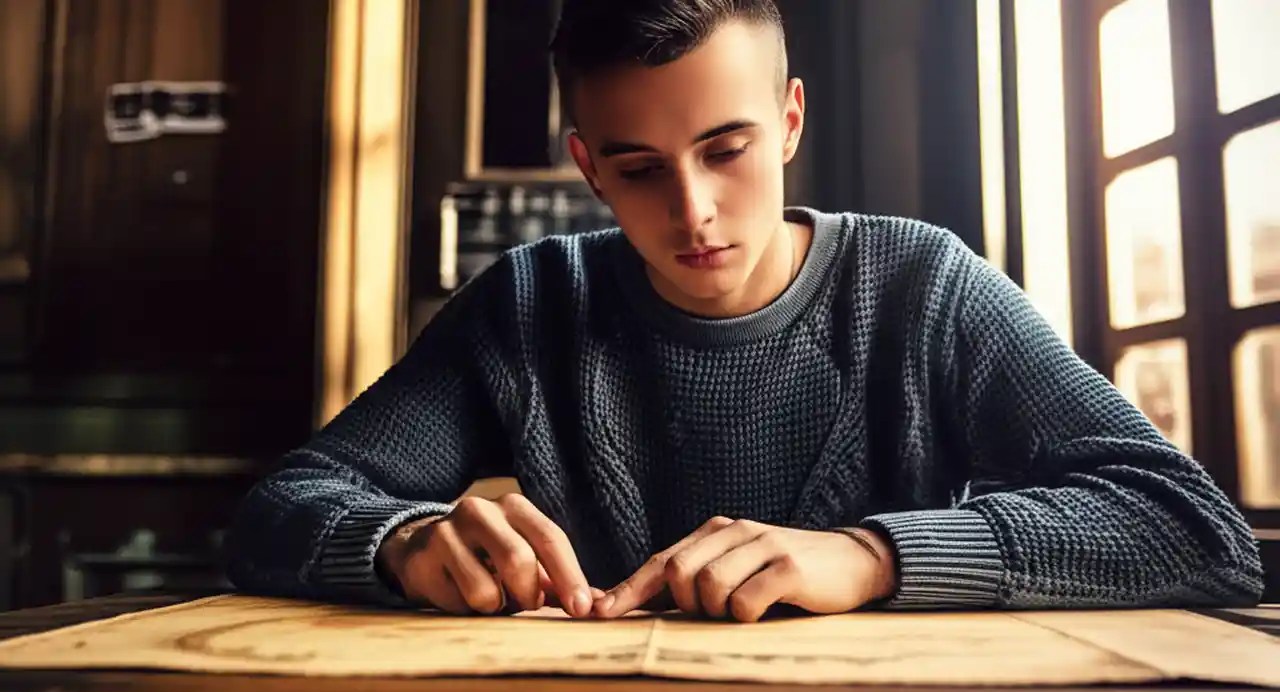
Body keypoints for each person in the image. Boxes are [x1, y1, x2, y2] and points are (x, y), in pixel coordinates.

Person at [225, 0, 1263, 622]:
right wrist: (397, 541)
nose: (693, 212)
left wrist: (871, 556)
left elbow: (1194, 531)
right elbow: (280, 507)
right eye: (637, 170)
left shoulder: (921, 284)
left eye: (726, 150)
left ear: (789, 121)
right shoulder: (531, 302)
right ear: (586, 167)